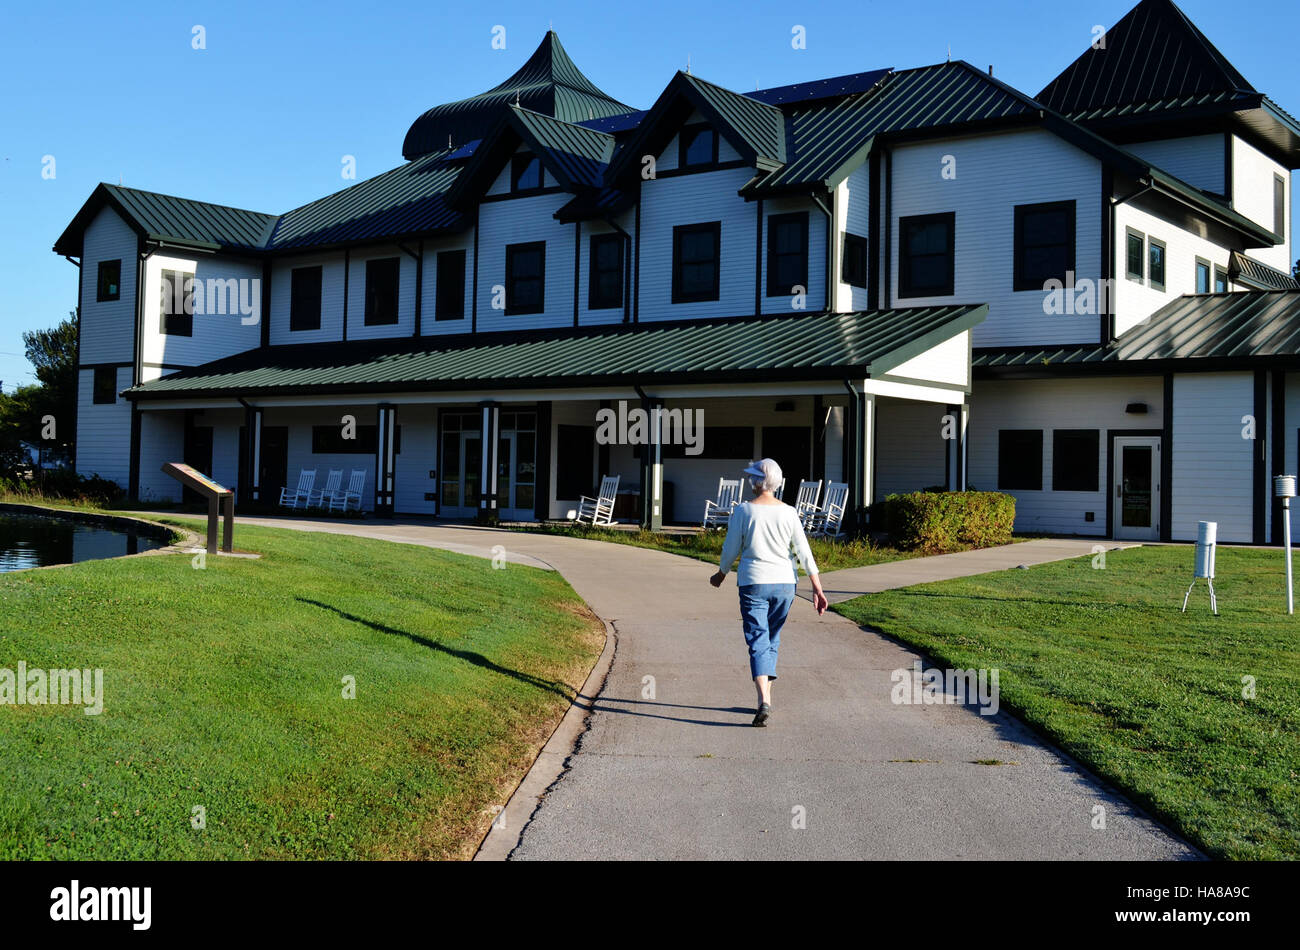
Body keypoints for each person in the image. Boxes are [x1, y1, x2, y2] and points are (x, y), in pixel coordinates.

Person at [710, 458, 828, 726]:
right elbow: (803, 552)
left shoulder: (743, 511)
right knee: (770, 638)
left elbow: (731, 548)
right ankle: (766, 699)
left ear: (756, 482)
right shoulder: (789, 512)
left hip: (754, 583)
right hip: (786, 585)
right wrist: (817, 588)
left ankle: (763, 700)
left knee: (757, 639)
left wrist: (721, 573)